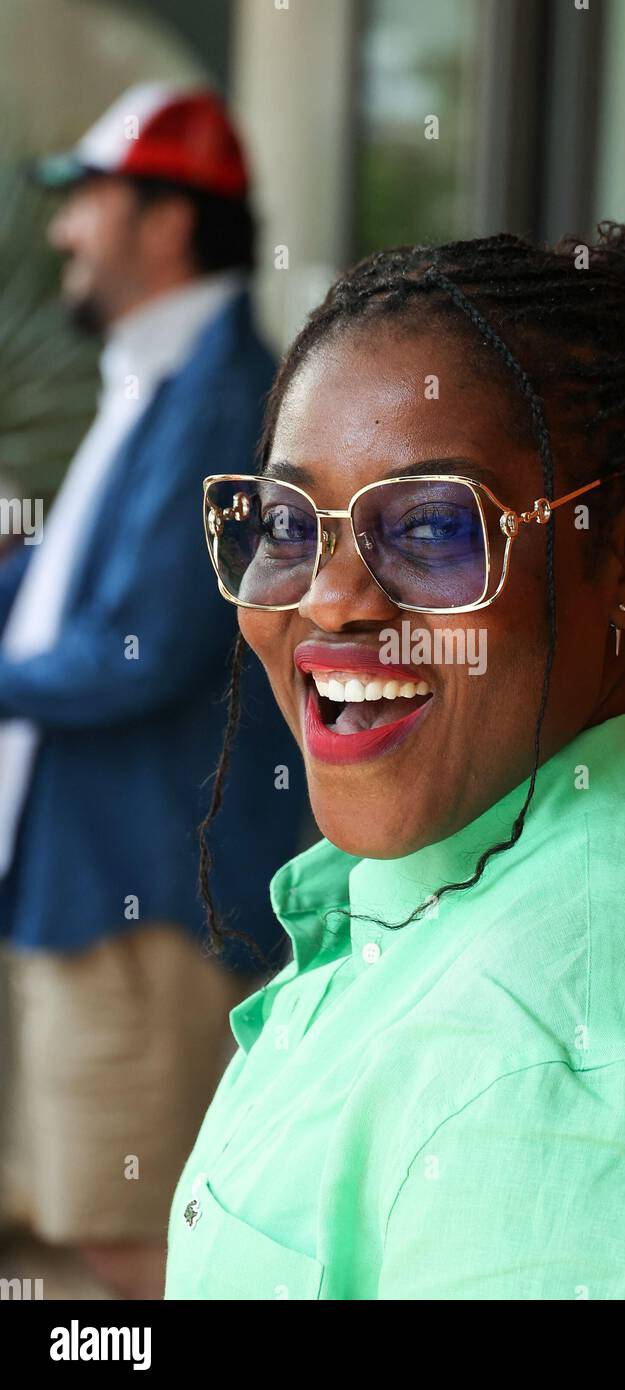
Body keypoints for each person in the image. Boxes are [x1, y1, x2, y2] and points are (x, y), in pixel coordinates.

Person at [164, 216, 625, 1300]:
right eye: (295, 525)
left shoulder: (557, 1061)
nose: (334, 603)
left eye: (437, 529)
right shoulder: (464, 879)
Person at [0, 83, 306, 1300]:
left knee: (148, 1244)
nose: (66, 230)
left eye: (89, 201)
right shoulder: (163, 378)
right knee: (110, 1223)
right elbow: (92, 598)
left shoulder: (228, 400)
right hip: (100, 890)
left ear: (168, 222)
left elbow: (146, 645)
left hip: (144, 908)